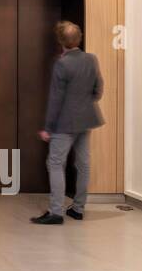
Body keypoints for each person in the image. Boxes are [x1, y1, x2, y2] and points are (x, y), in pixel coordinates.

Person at [31, 21, 104, 224]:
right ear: (78, 38)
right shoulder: (91, 59)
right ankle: (78, 209)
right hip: (87, 119)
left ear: (61, 41)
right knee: (83, 164)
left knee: (55, 163)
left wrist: (48, 128)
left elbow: (56, 99)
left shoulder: (62, 64)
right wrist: (84, 104)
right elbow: (98, 89)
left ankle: (56, 212)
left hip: (64, 123)